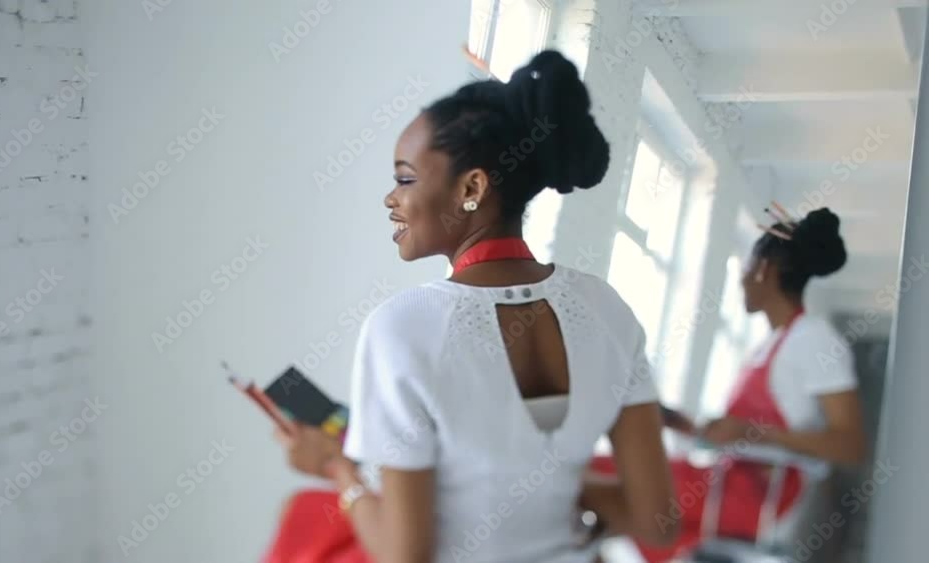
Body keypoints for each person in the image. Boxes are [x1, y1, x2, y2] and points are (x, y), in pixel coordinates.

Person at [263, 49, 678, 563]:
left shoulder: (401, 327)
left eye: (406, 178)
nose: (390, 198)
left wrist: (336, 469)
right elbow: (658, 523)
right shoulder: (608, 309)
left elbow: (404, 556)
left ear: (472, 187)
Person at [589, 205, 868, 562]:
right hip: (729, 480)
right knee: (611, 509)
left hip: (751, 496)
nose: (741, 280)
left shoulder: (814, 338)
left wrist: (752, 432)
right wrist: (678, 422)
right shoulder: (770, 344)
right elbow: (741, 434)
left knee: (590, 477)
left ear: (763, 271)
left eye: (746, 268)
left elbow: (850, 446)